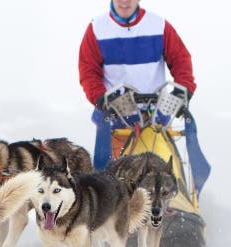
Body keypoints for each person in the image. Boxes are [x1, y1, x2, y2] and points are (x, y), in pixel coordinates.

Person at [79, 1, 197, 168]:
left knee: (161, 174)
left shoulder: (159, 25)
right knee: (112, 179)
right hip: (115, 119)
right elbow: (88, 71)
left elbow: (181, 60)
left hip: (156, 119)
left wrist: (183, 88)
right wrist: (100, 97)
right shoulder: (97, 28)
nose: (125, 2)